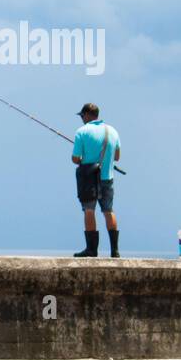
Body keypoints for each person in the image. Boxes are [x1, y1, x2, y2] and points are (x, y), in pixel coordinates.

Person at [70, 103, 121, 258]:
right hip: (107, 177)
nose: (81, 119)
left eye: (82, 116)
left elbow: (75, 158)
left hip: (89, 179)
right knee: (108, 210)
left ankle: (92, 250)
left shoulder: (81, 132)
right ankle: (115, 250)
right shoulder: (112, 131)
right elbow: (117, 157)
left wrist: (86, 158)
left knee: (89, 210)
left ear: (86, 115)